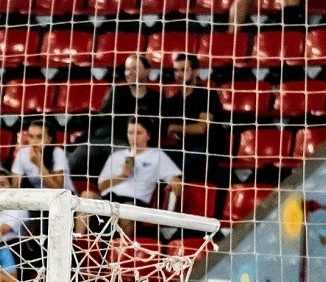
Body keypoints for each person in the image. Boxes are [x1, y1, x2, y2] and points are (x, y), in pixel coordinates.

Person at [68, 55, 160, 187]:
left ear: (147, 71)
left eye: (134, 68)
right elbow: (105, 117)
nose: (129, 73)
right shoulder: (116, 91)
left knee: (129, 168)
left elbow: (153, 127)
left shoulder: (156, 98)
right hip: (101, 140)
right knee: (75, 159)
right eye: (127, 69)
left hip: (126, 144)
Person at [98, 119, 184, 220]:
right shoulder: (116, 156)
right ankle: (79, 235)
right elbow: (101, 187)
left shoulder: (157, 155)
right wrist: (122, 176)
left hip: (135, 202)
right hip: (109, 199)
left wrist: (174, 180)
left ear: (148, 136)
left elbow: (175, 177)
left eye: (138, 133)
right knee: (87, 195)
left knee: (127, 210)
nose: (134, 137)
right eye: (130, 133)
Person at [161, 54, 222, 182]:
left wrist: (174, 128)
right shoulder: (172, 101)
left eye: (184, 70)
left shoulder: (207, 95)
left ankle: (174, 180)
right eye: (176, 70)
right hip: (184, 146)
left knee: (184, 163)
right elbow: (168, 131)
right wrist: (173, 130)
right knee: (157, 157)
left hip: (207, 147)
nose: (179, 74)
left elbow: (201, 128)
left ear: (196, 71)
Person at [11, 118, 67, 190]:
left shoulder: (58, 153)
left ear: (49, 139)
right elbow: (15, 187)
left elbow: (59, 190)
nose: (34, 142)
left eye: (39, 137)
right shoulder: (22, 153)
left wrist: (39, 164)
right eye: (31, 136)